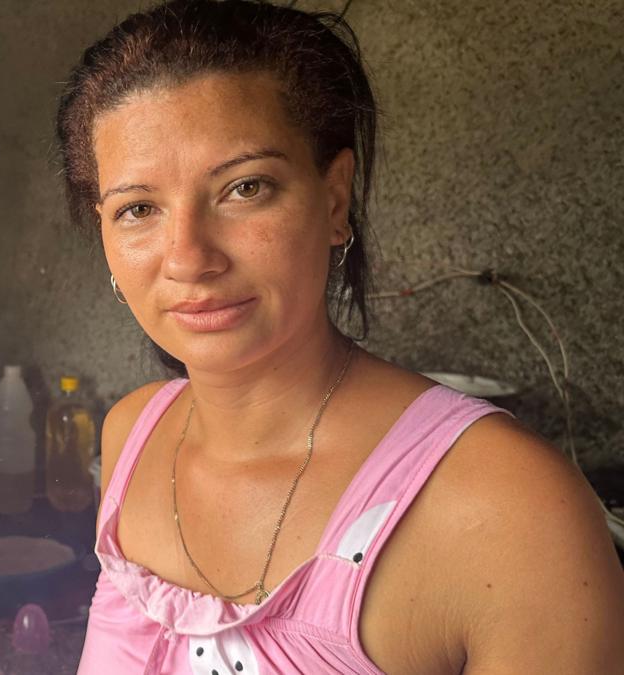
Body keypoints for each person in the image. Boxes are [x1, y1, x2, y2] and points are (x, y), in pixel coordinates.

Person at [55, 1, 624, 673]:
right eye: (139, 209)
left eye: (245, 187)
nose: (188, 257)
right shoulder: (130, 436)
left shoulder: (509, 511)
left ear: (333, 197)